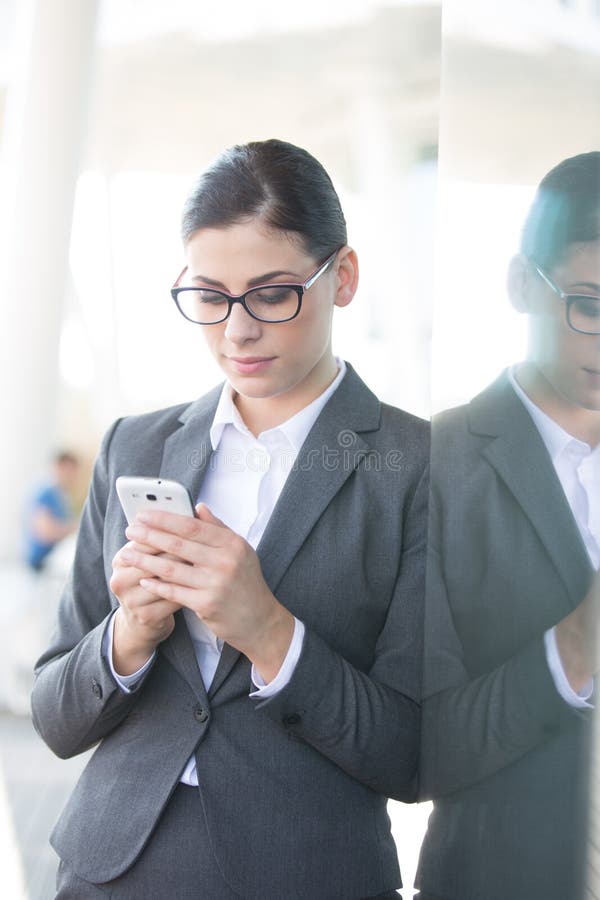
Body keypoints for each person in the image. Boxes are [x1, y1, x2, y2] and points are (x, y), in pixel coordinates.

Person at [32, 139, 429, 899]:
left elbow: (417, 757)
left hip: (304, 874)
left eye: (272, 294)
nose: (237, 331)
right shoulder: (134, 446)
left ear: (343, 276)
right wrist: (129, 633)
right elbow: (54, 719)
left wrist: (271, 632)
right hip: (110, 869)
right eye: (209, 296)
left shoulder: (422, 469)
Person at [416, 151, 600, 900]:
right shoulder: (433, 463)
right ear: (523, 284)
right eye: (591, 305)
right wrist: (575, 647)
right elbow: (416, 748)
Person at [24, 451, 80, 572]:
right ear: (58, 468)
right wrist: (74, 528)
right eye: (68, 471)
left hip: (53, 555)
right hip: (41, 559)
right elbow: (45, 532)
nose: (72, 477)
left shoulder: (61, 495)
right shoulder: (45, 493)